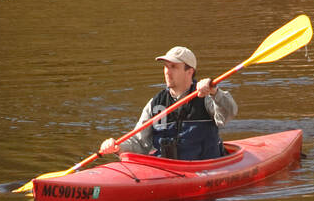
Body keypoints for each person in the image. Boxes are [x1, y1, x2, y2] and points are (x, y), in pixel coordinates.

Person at [100, 46, 237, 161]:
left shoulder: (206, 96)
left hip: (204, 167)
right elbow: (139, 143)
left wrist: (215, 92)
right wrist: (118, 147)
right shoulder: (155, 104)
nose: (167, 72)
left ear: (189, 72)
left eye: (173, 67)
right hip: (166, 169)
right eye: (166, 66)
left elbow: (229, 114)